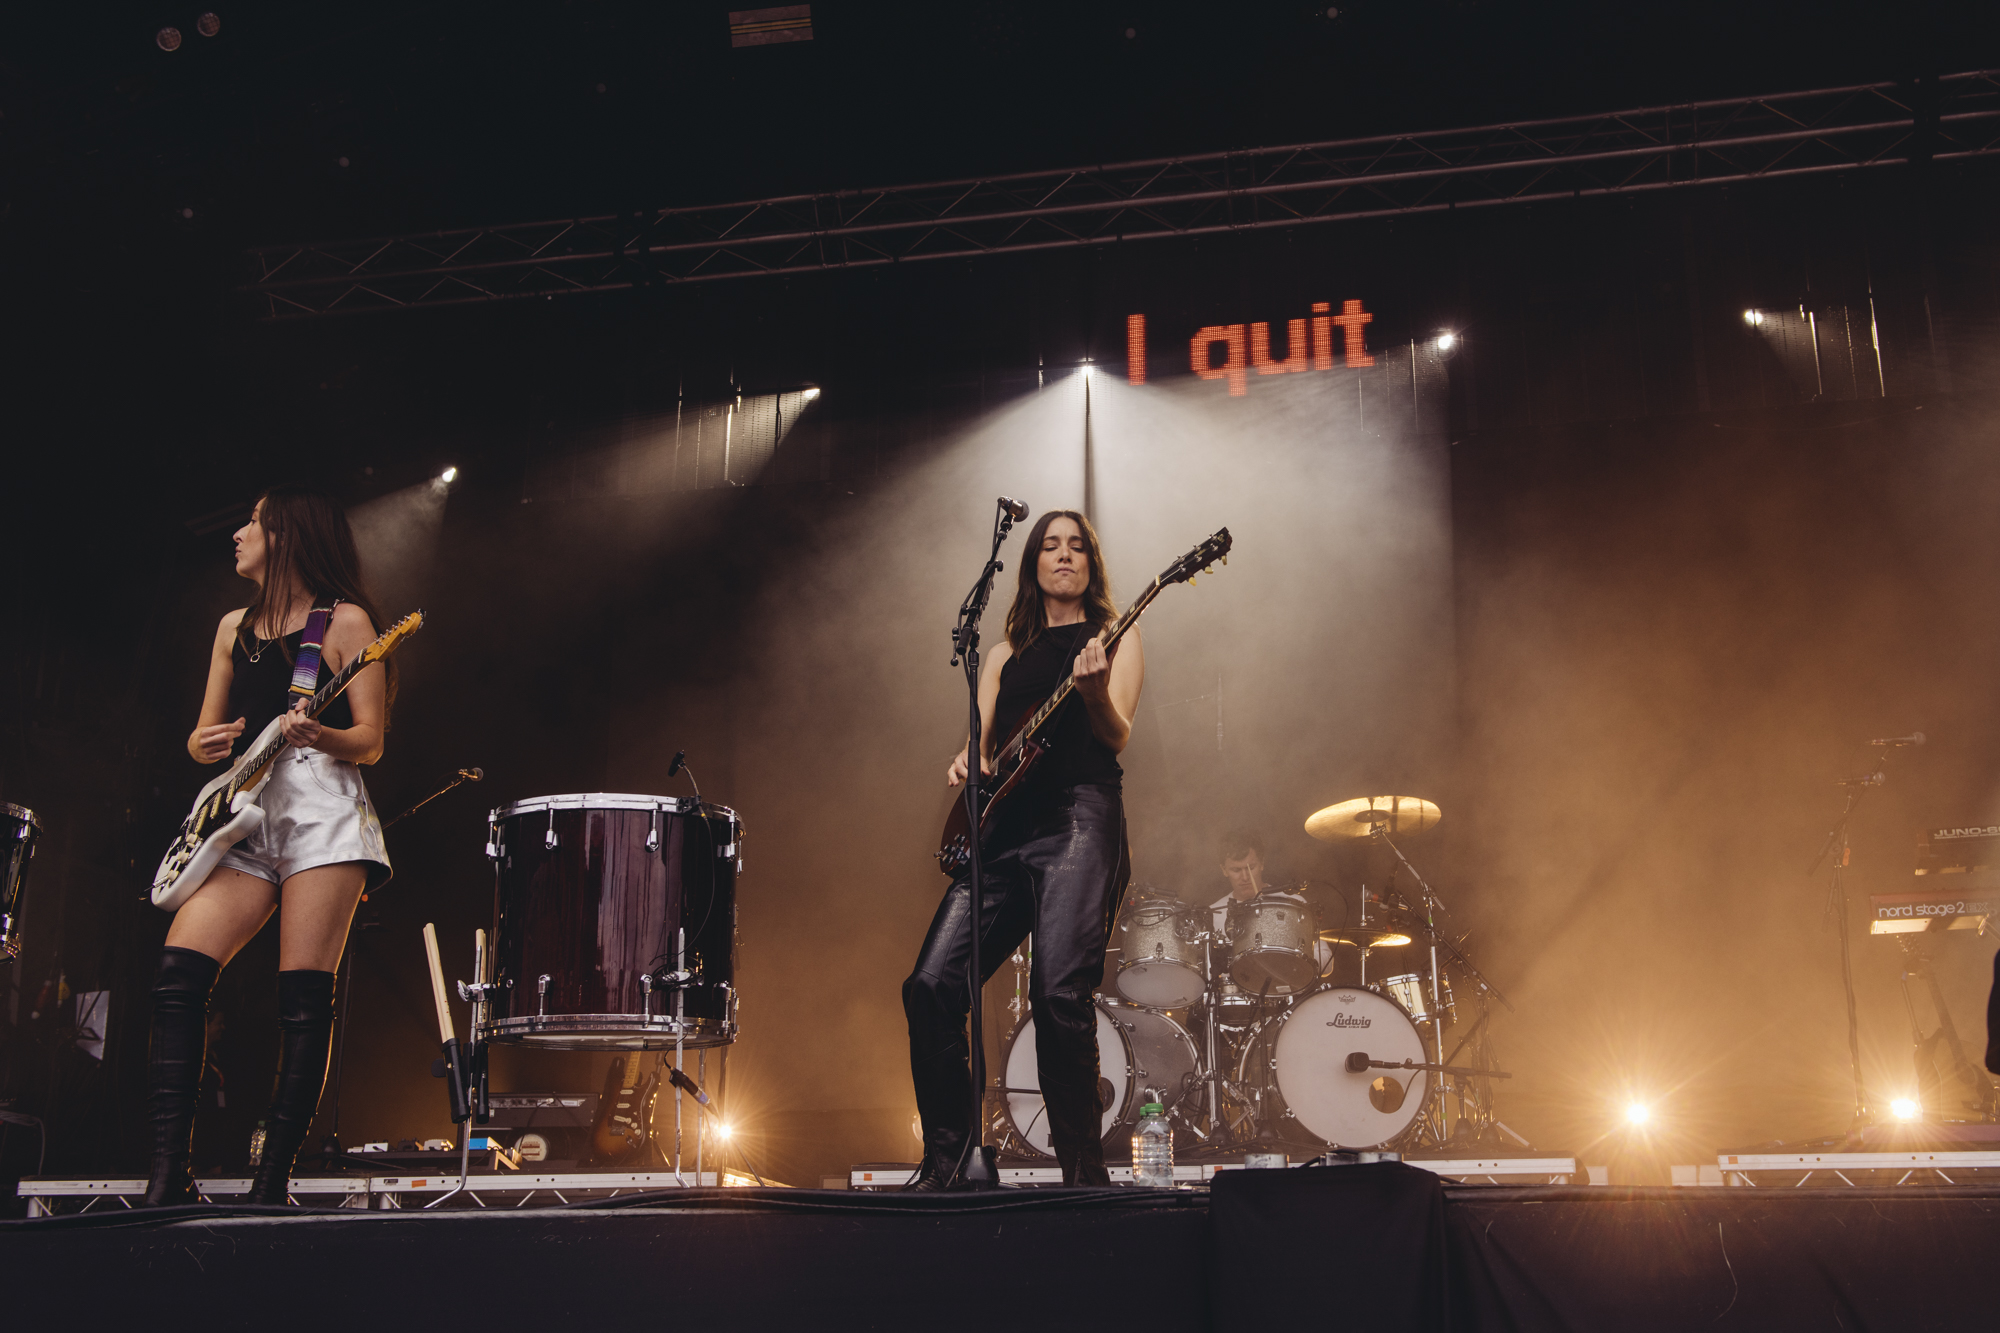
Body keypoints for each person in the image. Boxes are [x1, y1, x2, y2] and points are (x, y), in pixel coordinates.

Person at [142, 485, 394, 1206]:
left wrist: (322, 731)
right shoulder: (232, 627)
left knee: (302, 996)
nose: (240, 532)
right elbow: (202, 737)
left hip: (322, 808)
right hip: (244, 808)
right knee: (177, 975)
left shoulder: (346, 621)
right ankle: (168, 1174)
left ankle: (271, 1180)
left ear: (287, 534)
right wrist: (202, 743)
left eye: (253, 520)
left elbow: (371, 741)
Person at [903, 510, 1143, 1187]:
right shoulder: (1004, 653)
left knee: (1056, 989)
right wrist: (967, 756)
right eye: (1049, 545)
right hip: (1006, 833)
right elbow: (984, 750)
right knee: (929, 986)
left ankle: (1082, 1177)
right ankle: (949, 1163)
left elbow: (1117, 733)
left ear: (1091, 563)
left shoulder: (1117, 636)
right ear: (1032, 562)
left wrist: (1093, 694)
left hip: (1080, 816)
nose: (1063, 555)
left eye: (1076, 546)